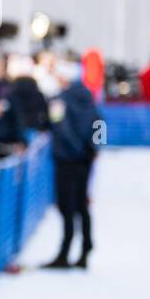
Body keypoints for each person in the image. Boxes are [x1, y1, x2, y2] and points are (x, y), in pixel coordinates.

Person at [44, 57, 99, 269]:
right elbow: (98, 122)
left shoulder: (59, 99)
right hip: (83, 159)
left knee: (66, 205)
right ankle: (85, 247)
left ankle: (64, 252)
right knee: (81, 204)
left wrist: (74, 149)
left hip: (67, 160)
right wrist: (90, 149)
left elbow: (60, 127)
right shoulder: (88, 97)